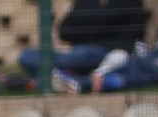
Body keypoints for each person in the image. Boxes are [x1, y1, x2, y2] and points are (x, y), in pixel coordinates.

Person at [17, 0, 150, 91]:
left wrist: (87, 28)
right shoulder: (86, 2)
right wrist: (98, 29)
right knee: (26, 57)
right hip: (74, 55)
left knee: (81, 54)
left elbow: (131, 32)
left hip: (107, 54)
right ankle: (70, 77)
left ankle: (57, 77)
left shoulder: (130, 1)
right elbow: (64, 31)